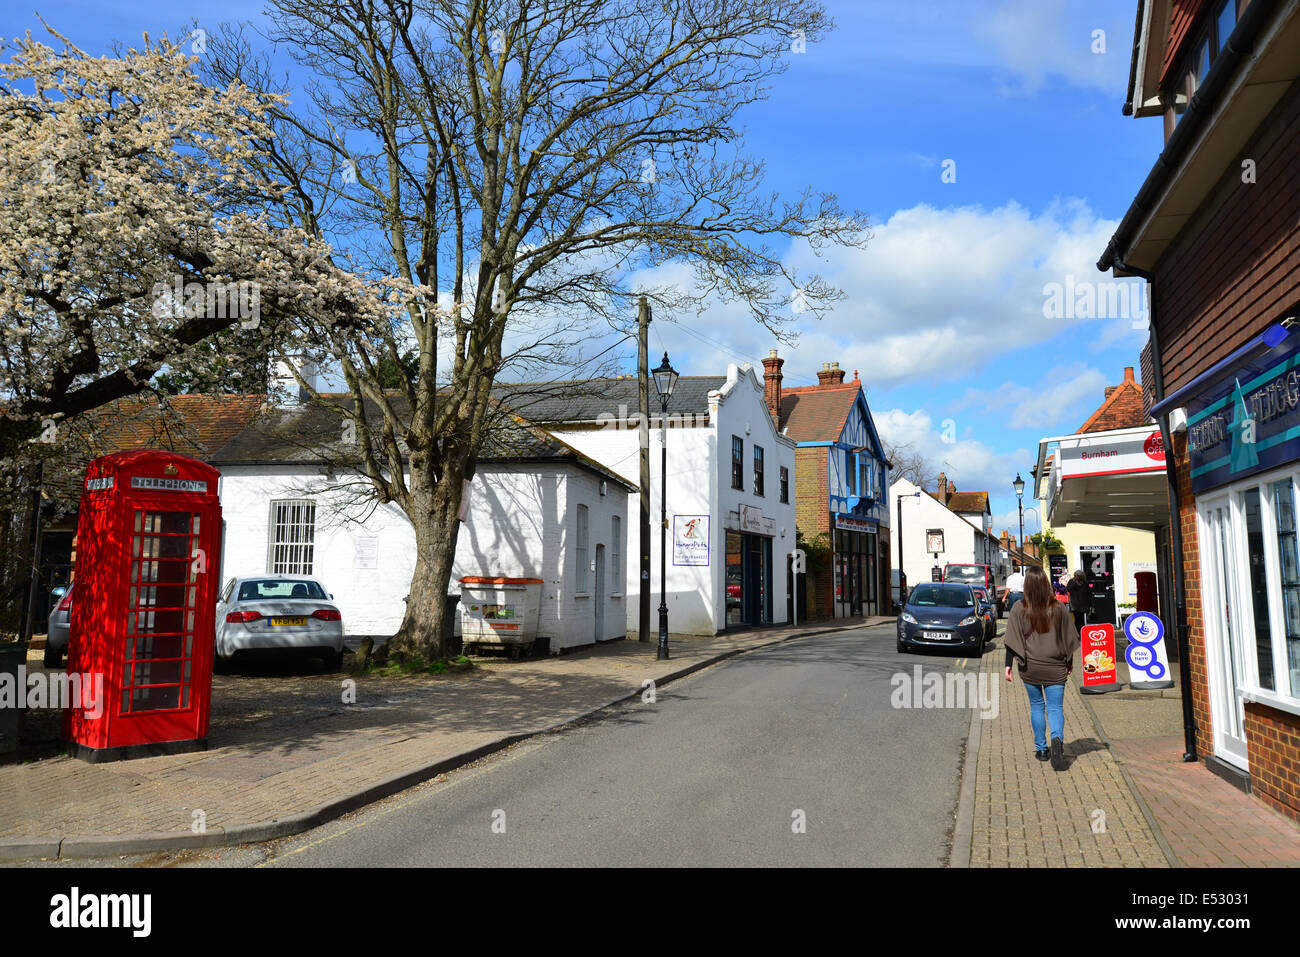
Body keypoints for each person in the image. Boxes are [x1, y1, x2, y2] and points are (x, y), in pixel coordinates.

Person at [1003, 567, 1080, 771]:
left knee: (1037, 706)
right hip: (1055, 666)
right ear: (1046, 583)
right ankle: (1057, 740)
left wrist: (1007, 666)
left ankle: (1042, 749)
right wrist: (1069, 662)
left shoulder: (1019, 608)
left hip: (1030, 667)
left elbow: (1011, 639)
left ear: (1026, 585)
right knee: (1055, 708)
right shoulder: (1059, 608)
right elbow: (1069, 638)